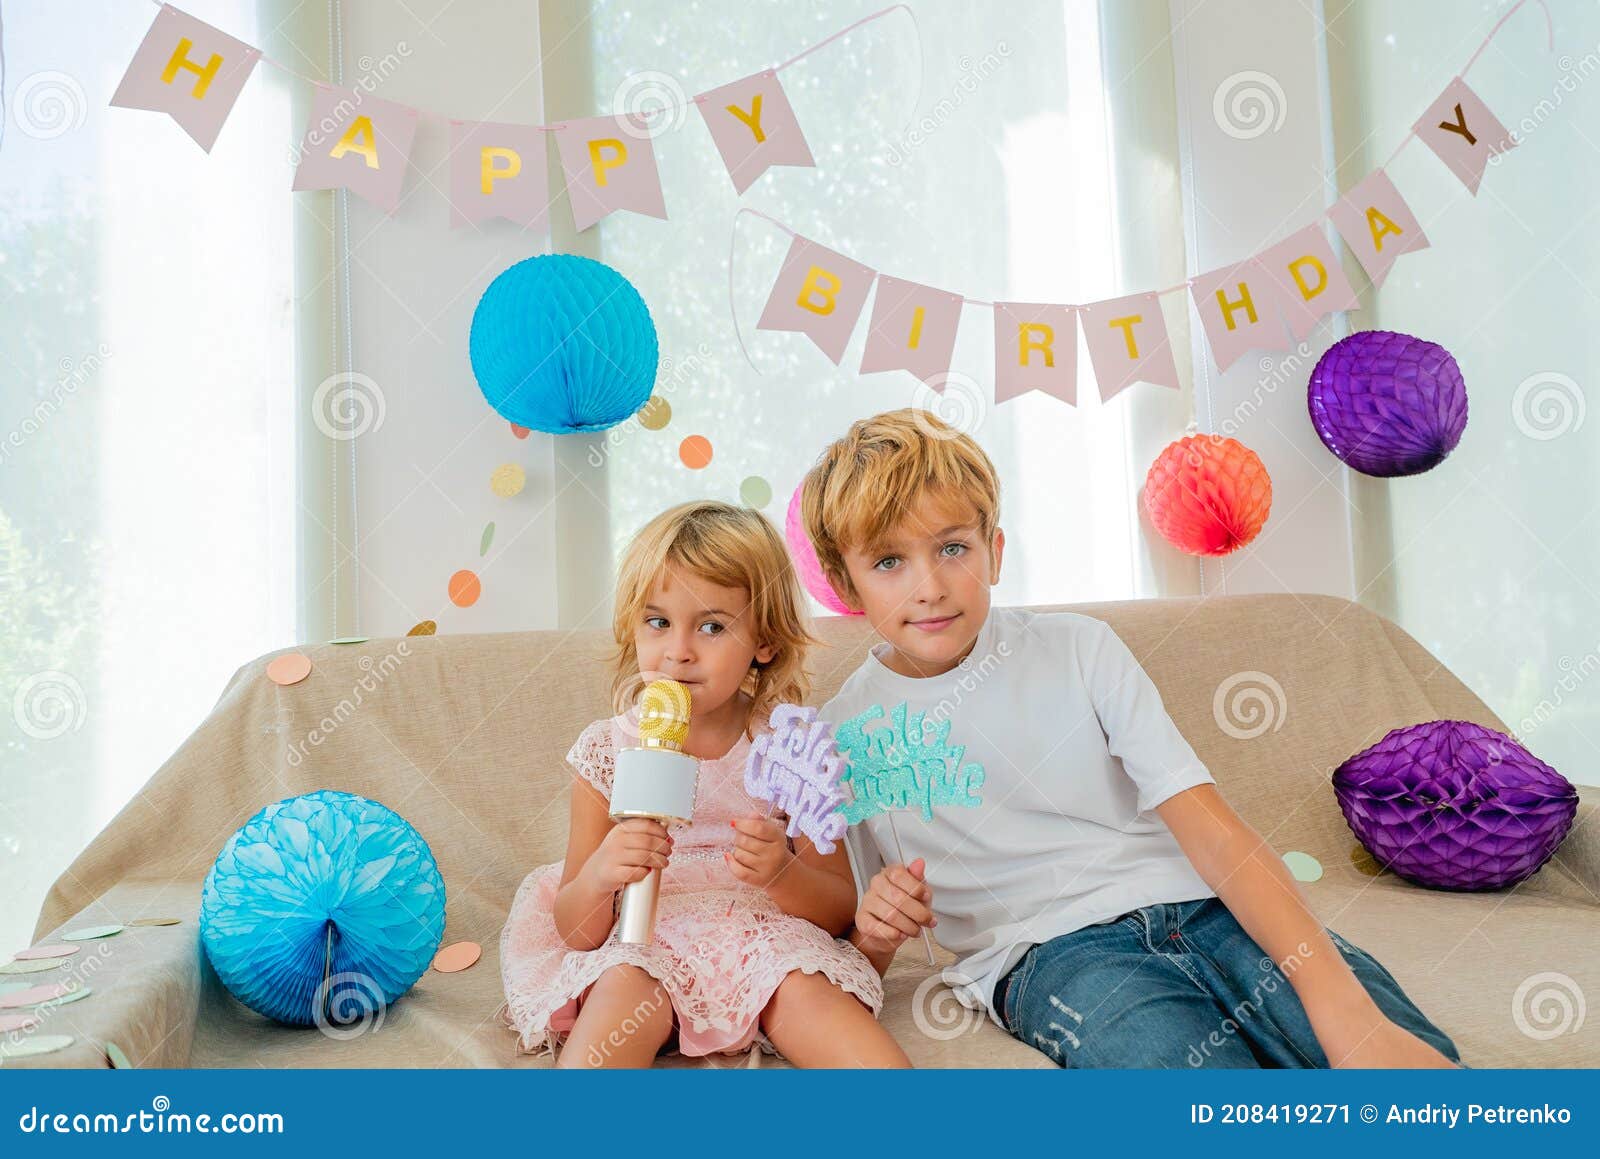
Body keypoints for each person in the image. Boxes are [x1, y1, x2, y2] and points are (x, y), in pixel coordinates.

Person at [804, 409, 1461, 1068]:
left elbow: (1214, 832)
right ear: (844, 583)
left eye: (953, 548)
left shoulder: (1079, 648)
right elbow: (848, 950)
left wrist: (1342, 1010)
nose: (930, 586)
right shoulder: (837, 737)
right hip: (1053, 956)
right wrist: (872, 929)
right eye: (889, 560)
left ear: (994, 552)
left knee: (1413, 1069)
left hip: (1207, 906)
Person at [497, 500, 908, 1067]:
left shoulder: (791, 750)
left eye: (712, 626)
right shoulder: (609, 751)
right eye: (658, 622)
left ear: (764, 642)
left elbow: (839, 909)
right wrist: (602, 874)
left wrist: (783, 874)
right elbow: (576, 930)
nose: (679, 651)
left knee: (808, 993)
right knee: (625, 988)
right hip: (644, 944)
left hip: (765, 946)